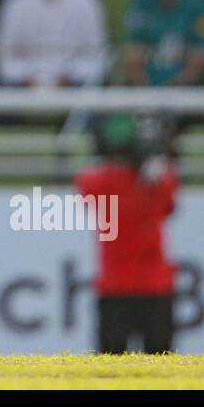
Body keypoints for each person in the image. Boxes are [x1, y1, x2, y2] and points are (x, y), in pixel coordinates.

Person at [74, 113, 179, 355]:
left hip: (120, 289)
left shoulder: (98, 182)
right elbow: (169, 205)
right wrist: (150, 171)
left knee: (111, 370)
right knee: (159, 370)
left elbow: (85, 182)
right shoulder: (154, 181)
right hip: (150, 288)